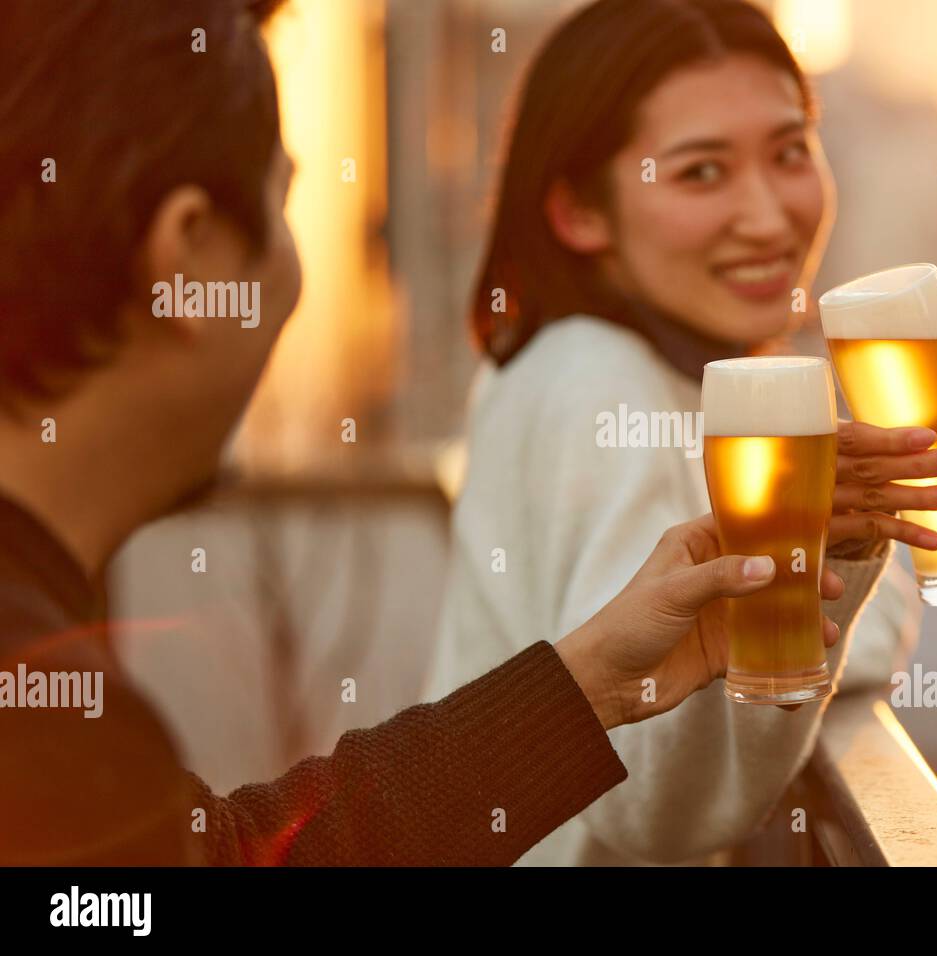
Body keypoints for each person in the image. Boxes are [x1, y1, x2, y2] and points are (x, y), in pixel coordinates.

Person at [0, 0, 849, 866]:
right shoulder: (50, 730)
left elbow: (239, 857)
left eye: (789, 152)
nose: (765, 214)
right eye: (286, 202)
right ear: (189, 252)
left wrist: (588, 685)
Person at [429, 0, 937, 866]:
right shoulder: (598, 385)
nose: (768, 216)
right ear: (580, 211)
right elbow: (644, 803)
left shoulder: (612, 369)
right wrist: (823, 583)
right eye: (700, 173)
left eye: (791, 151)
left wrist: (818, 573)